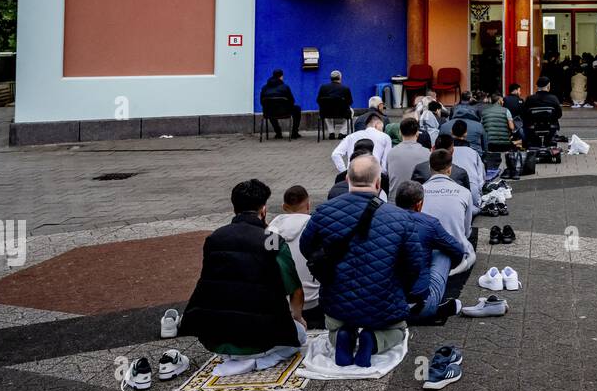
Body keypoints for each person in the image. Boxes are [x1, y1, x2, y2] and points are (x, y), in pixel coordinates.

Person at [299, 154, 426, 367]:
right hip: (383, 301)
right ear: (378, 182)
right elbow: (414, 264)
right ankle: (374, 341)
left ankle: (342, 336)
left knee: (335, 326)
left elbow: (306, 247)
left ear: (347, 180)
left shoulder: (323, 211)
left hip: (336, 300)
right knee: (397, 329)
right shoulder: (401, 217)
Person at [180, 179, 307, 375]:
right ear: (263, 209)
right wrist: (297, 318)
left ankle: (236, 357)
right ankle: (260, 361)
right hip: (259, 335)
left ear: (234, 208)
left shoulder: (215, 237)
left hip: (216, 337)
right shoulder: (270, 239)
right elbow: (294, 288)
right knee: (299, 336)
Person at [394, 180, 468, 322]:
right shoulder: (429, 223)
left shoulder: (381, 219)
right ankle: (431, 307)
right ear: (419, 204)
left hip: (385, 305)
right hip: (419, 305)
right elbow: (457, 250)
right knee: (443, 252)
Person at [267, 185, 324, 330]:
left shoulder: (271, 229)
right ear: (308, 204)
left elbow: (267, 262)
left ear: (284, 206)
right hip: (315, 301)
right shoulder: (315, 227)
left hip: (284, 304)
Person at [386, 116, 430, 202]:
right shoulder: (427, 153)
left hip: (395, 201)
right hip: (419, 201)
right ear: (417, 133)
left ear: (400, 133)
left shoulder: (391, 153)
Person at [448, 120, 485, 212]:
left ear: (451, 132)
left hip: (448, 192)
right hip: (471, 194)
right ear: (465, 133)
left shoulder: (444, 153)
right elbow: (481, 179)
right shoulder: (473, 153)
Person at [260, 69, 301, 140]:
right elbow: (292, 101)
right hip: (285, 112)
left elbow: (262, 102)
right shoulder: (285, 87)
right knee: (297, 109)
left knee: (269, 108)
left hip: (269, 112)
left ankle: (278, 133)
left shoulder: (264, 88)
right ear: (281, 77)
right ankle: (294, 133)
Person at [522, 76, 563, 145]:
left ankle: (535, 142)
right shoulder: (553, 98)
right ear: (548, 86)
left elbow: (524, 114)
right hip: (550, 127)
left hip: (533, 127)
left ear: (537, 87)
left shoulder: (530, 99)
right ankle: (548, 141)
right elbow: (559, 114)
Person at [316, 70, 354, 140]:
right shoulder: (345, 88)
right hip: (342, 113)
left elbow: (318, 100)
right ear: (340, 78)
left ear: (330, 78)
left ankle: (331, 133)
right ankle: (342, 133)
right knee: (351, 111)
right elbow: (350, 102)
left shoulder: (323, 88)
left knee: (324, 110)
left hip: (326, 113)